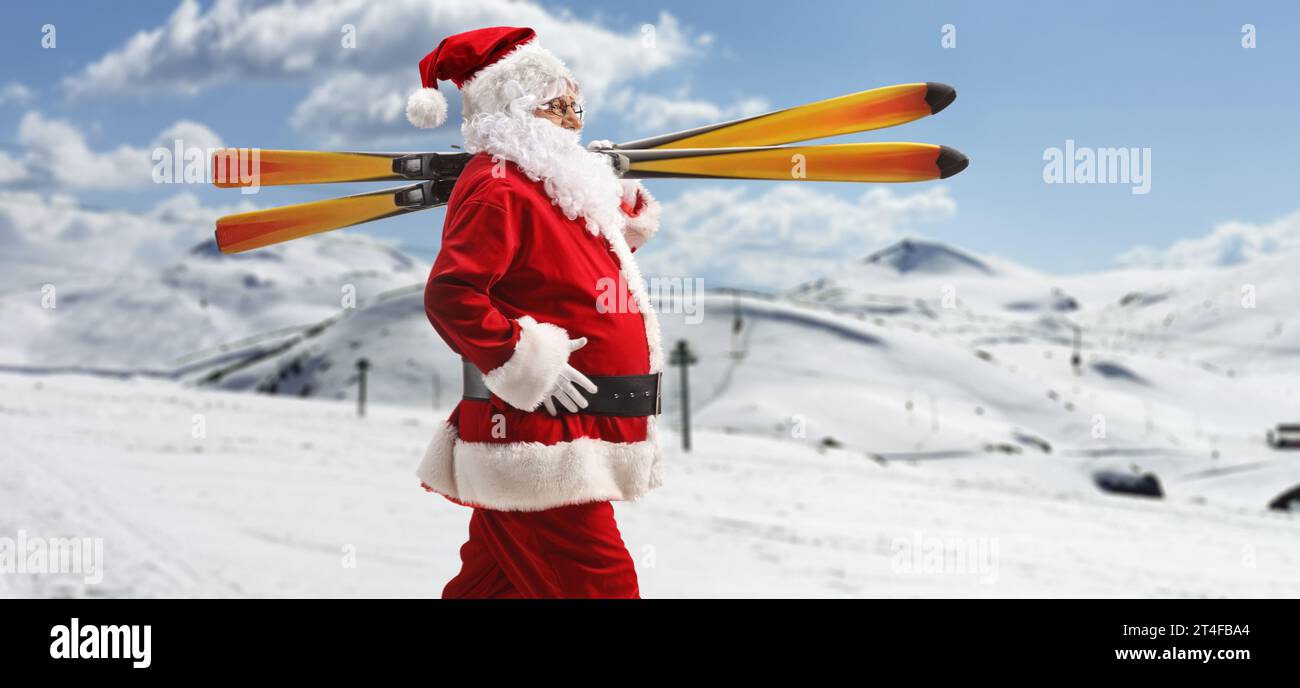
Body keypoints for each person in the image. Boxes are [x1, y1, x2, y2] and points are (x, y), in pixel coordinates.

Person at [406, 26, 664, 598]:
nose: (575, 122)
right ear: (512, 109)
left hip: (562, 433)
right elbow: (452, 294)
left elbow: (560, 269)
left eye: (577, 106)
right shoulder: (500, 187)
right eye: (558, 106)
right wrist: (527, 361)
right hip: (537, 441)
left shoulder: (540, 186)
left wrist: (621, 215)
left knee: (493, 586)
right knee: (602, 586)